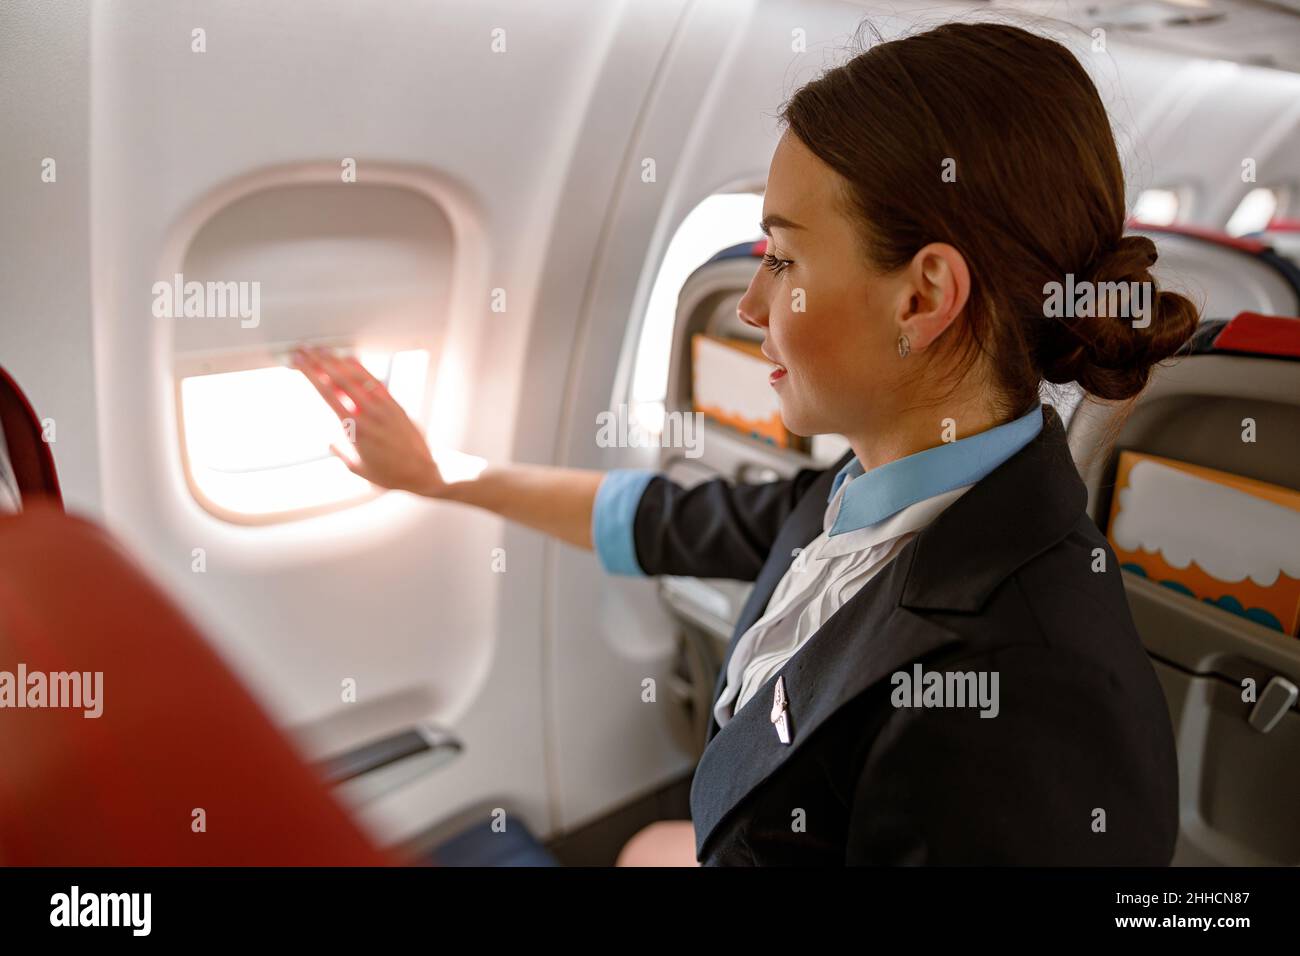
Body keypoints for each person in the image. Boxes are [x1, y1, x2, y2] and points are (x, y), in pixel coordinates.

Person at [292, 20, 1196, 866]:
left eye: (783, 258)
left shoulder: (1026, 699)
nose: (753, 306)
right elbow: (668, 523)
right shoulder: (873, 493)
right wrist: (443, 477)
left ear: (922, 297)